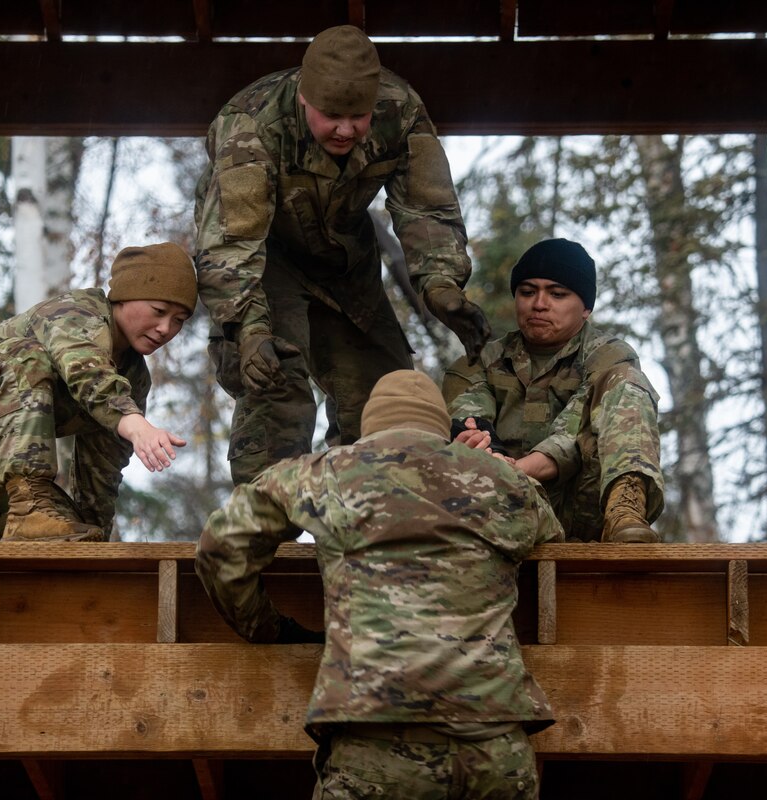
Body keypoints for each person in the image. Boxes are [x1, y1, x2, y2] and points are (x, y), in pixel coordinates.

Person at [196, 370, 560, 799]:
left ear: (371, 425)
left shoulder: (324, 471)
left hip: (378, 744)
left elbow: (223, 545)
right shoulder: (504, 481)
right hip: (496, 747)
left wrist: (266, 628)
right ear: (439, 423)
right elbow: (550, 534)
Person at [194, 24, 490, 486]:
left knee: (388, 391)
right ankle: (265, 529)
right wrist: (248, 329)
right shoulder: (250, 126)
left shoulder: (401, 109)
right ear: (304, 100)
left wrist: (441, 285)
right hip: (265, 262)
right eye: (332, 115)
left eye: (359, 116)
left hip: (346, 262)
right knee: (275, 378)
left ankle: (378, 519)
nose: (346, 129)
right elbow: (231, 246)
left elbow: (424, 206)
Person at [0, 242, 196, 543]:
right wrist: (135, 424)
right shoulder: (77, 313)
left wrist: (95, 539)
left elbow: (101, 472)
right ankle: (28, 508)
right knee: (26, 357)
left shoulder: (133, 380)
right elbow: (88, 373)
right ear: (124, 296)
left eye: (179, 320)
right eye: (158, 311)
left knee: (66, 533)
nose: (166, 329)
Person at [445, 238, 665, 543]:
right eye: (527, 292)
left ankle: (625, 510)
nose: (539, 304)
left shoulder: (608, 357)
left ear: (586, 308)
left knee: (627, 382)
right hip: (502, 505)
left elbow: (572, 438)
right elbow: (469, 418)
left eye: (557, 294)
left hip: (583, 510)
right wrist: (481, 448)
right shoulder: (479, 361)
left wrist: (516, 469)